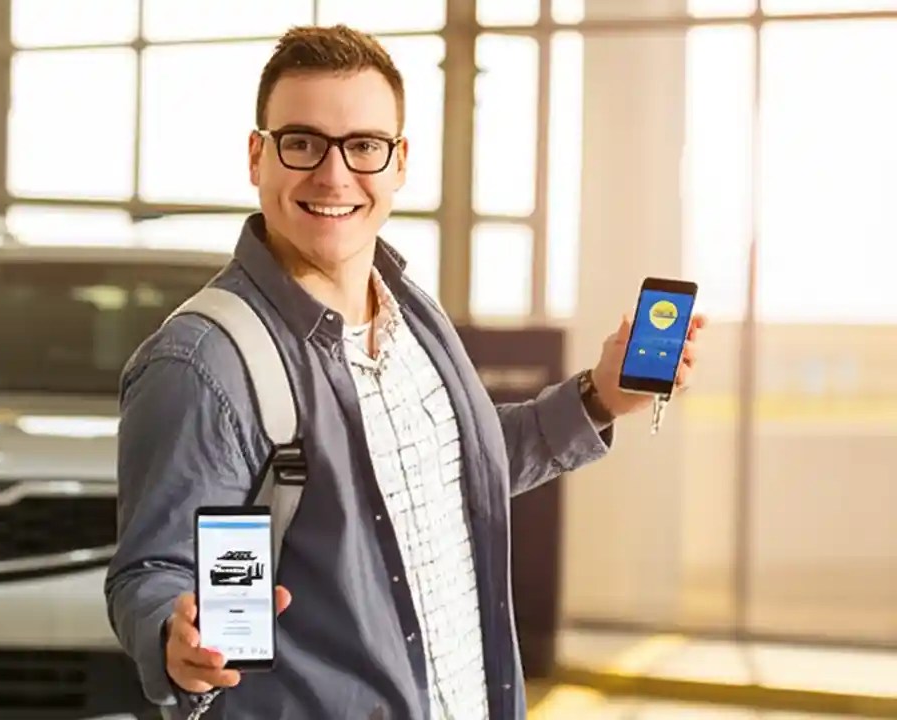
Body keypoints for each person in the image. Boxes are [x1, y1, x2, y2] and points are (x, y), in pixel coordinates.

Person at [105, 24, 706, 720]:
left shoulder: (412, 313)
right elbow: (152, 571)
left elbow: (457, 471)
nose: (334, 175)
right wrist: (174, 638)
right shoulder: (202, 363)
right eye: (302, 143)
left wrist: (599, 396)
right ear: (256, 156)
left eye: (363, 146)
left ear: (399, 162)